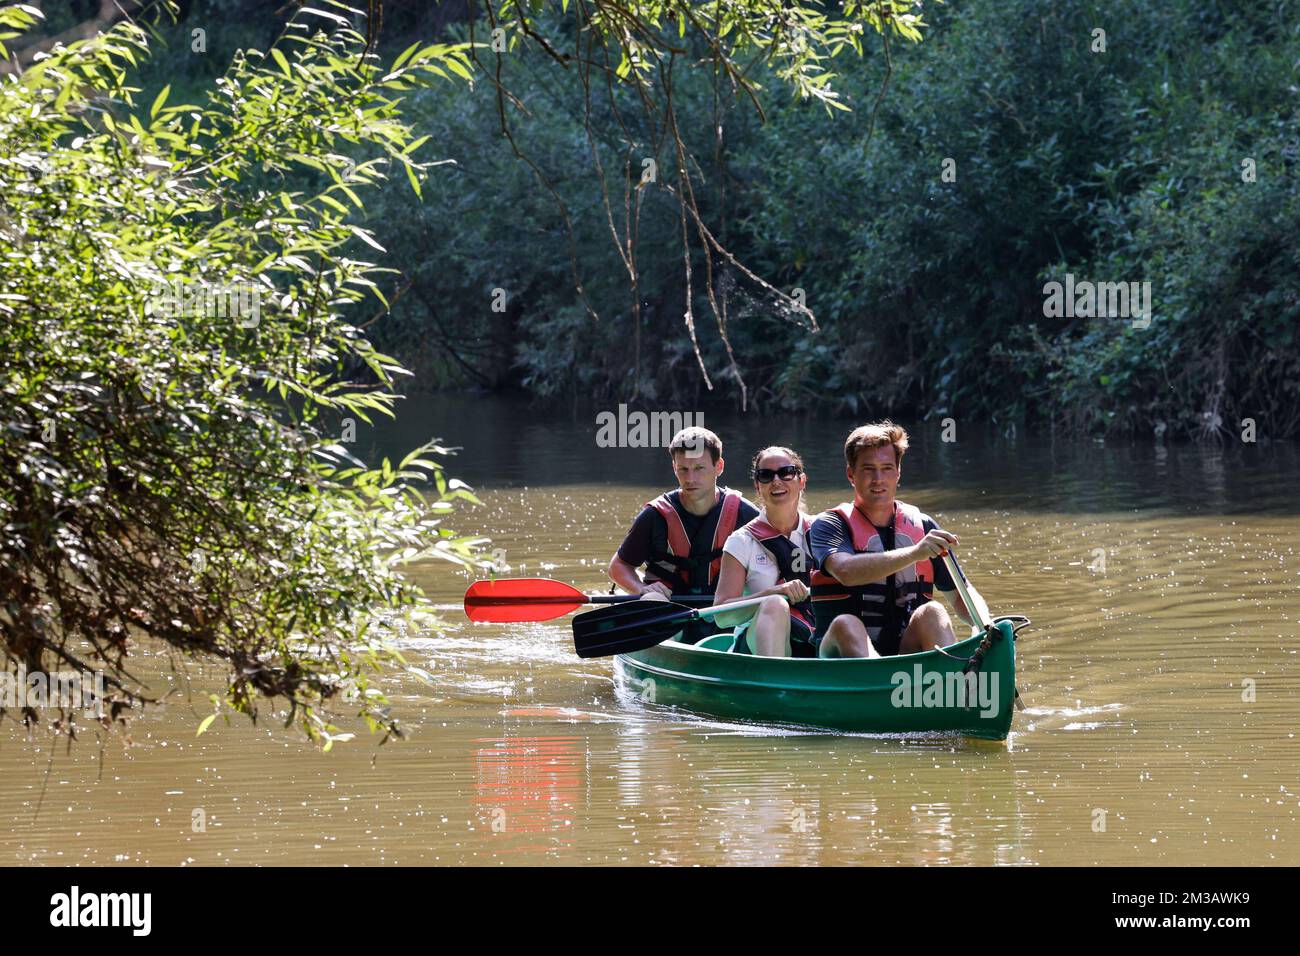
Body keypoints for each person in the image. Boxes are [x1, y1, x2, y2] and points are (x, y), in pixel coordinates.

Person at [808, 421, 990, 657]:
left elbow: (962, 595)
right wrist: (915, 553)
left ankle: (952, 685)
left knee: (933, 612)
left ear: (898, 472)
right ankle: (878, 686)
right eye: (868, 469)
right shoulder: (829, 525)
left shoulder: (923, 526)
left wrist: (987, 626)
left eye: (886, 468)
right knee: (847, 623)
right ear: (851, 474)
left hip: (902, 653)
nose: (878, 479)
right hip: (838, 656)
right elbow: (845, 571)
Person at [607, 427, 760, 641]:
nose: (690, 478)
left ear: (719, 467)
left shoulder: (746, 514)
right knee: (652, 599)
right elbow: (618, 566)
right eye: (683, 469)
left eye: (699, 468)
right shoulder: (654, 515)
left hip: (725, 609)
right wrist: (641, 588)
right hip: (667, 607)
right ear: (674, 468)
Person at [712, 447, 817, 658]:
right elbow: (721, 616)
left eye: (786, 472)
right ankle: (773, 684)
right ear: (758, 486)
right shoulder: (740, 542)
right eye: (766, 476)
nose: (776, 481)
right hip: (755, 647)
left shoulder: (823, 531)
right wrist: (772, 593)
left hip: (811, 637)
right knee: (774, 605)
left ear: (802, 480)